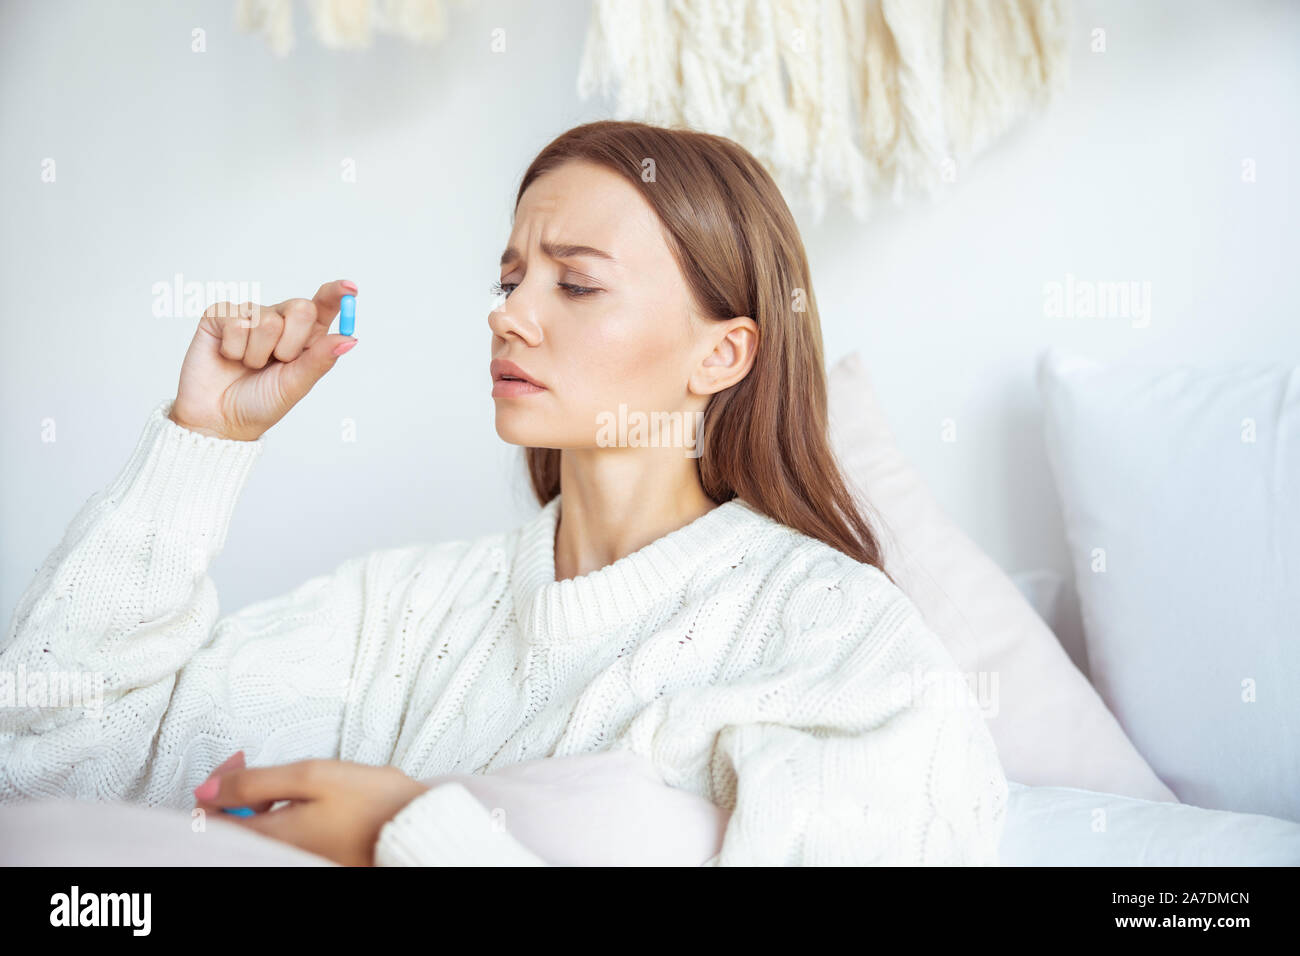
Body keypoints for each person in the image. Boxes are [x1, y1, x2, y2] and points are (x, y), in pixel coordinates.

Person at [0, 120, 1008, 866]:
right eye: (510, 277)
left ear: (722, 351)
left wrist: (412, 828)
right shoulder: (395, 609)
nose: (508, 317)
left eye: (573, 284)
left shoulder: (840, 637)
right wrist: (202, 441)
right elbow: (55, 763)